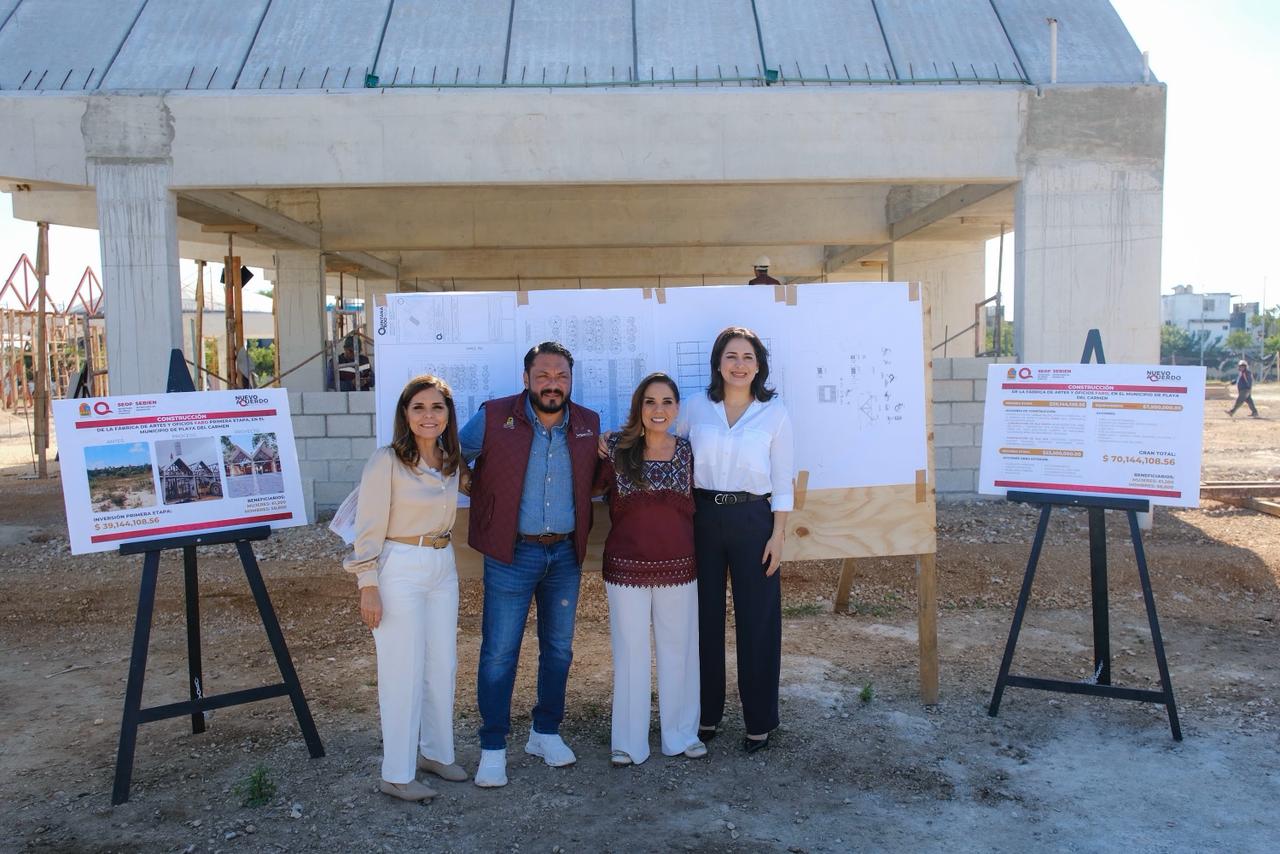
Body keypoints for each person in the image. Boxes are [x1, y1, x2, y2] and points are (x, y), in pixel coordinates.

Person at [459, 341, 601, 788]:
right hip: (511, 553)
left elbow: (598, 479)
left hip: (563, 554)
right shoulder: (495, 417)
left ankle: (545, 732)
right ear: (526, 379)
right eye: (543, 376)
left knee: (558, 650)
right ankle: (493, 745)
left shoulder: (587, 424)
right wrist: (474, 489)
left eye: (560, 376)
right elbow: (453, 451)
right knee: (499, 652)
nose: (552, 384)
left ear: (570, 381)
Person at [343, 375, 469, 802]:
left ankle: (435, 752)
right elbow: (369, 526)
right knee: (402, 670)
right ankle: (396, 772)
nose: (428, 415)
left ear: (448, 415)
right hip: (400, 566)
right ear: (405, 414)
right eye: (419, 407)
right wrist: (368, 584)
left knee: (442, 665)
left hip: (441, 563)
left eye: (437, 407)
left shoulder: (451, 462)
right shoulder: (387, 461)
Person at [680, 326, 793, 752]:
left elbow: (783, 481)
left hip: (754, 520)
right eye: (731, 356)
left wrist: (778, 535)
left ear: (759, 365)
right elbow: (662, 441)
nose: (739, 364)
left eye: (748, 357)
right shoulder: (695, 407)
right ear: (718, 363)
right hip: (702, 517)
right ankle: (704, 716)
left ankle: (759, 720)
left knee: (757, 622)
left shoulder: (775, 412)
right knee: (702, 620)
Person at [596, 373, 705, 766]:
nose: (659, 410)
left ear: (677, 409)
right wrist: (598, 442)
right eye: (650, 402)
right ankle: (628, 741)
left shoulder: (690, 452)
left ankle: (680, 734)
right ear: (638, 408)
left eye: (667, 402)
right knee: (630, 653)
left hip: (680, 566)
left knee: (679, 651)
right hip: (626, 568)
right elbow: (589, 484)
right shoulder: (616, 452)